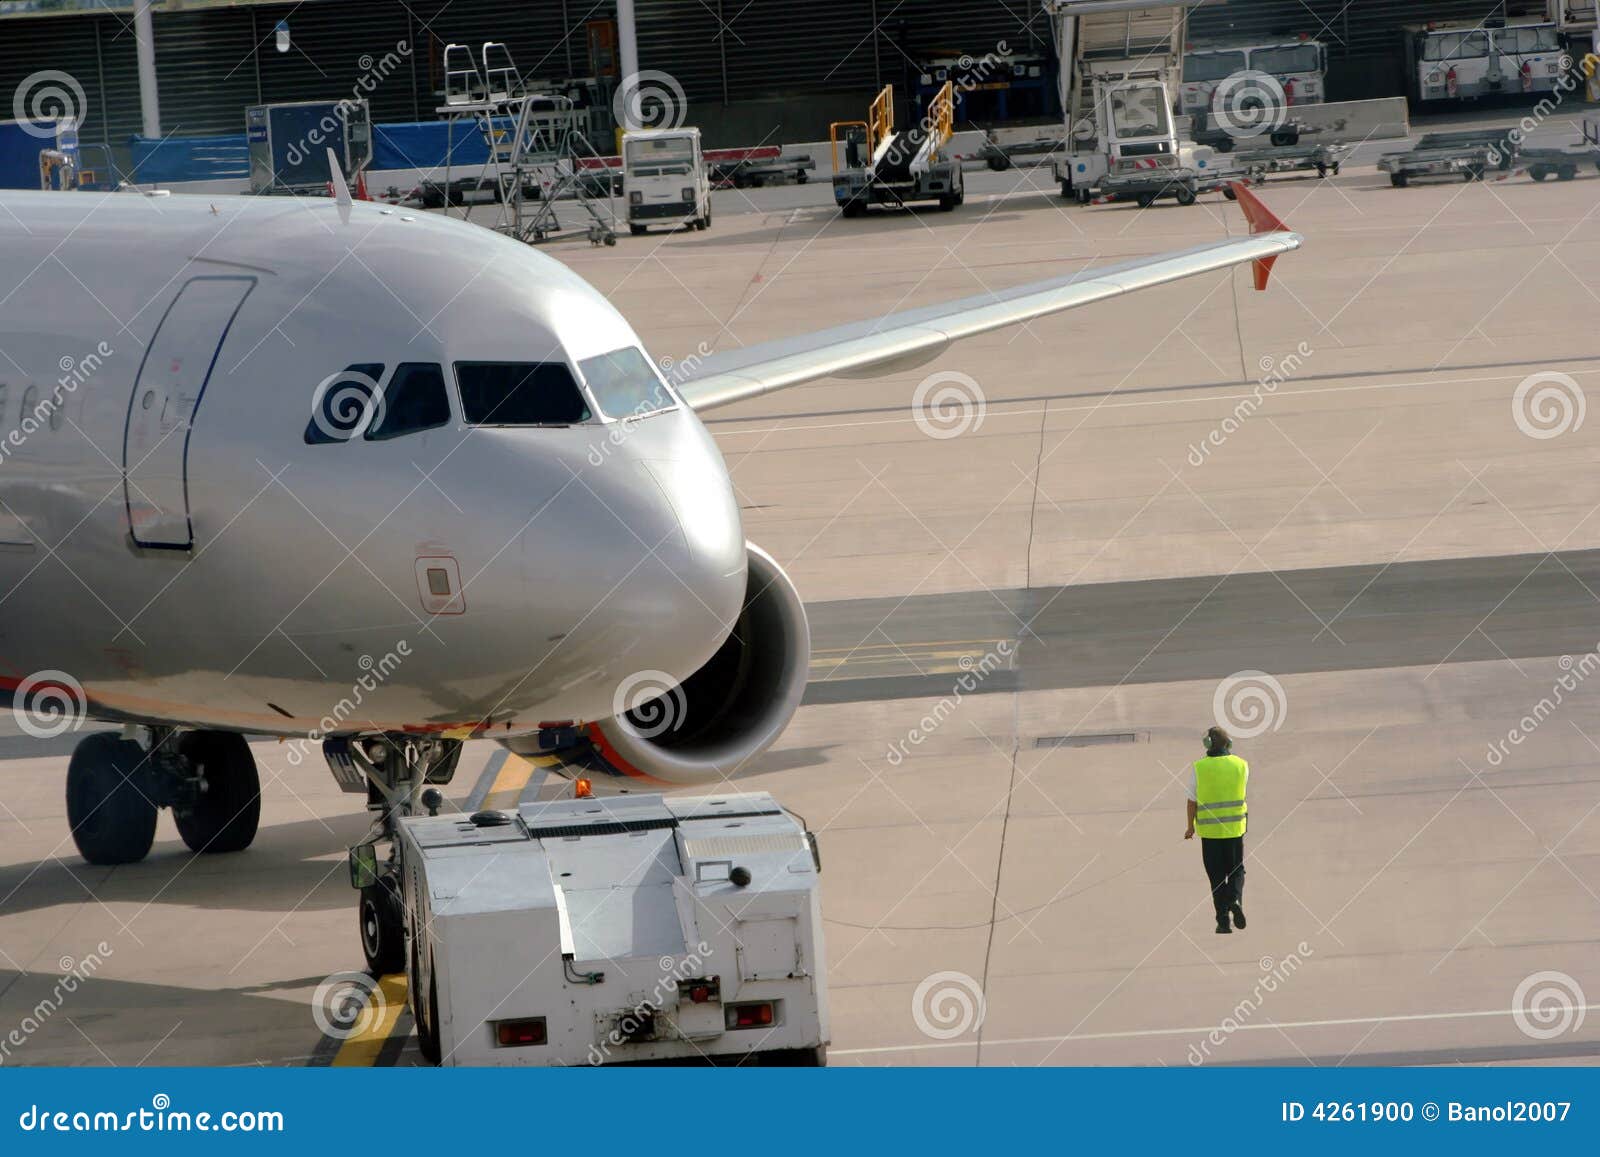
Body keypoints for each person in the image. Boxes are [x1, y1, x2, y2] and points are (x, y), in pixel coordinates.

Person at [1184, 725, 1248, 934]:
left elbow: (1192, 801)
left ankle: (1223, 922)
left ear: (1208, 745)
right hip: (1234, 830)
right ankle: (1235, 899)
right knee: (1237, 870)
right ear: (1228, 744)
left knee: (1216, 876)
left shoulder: (1199, 768)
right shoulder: (1241, 765)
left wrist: (1189, 828)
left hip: (1210, 835)